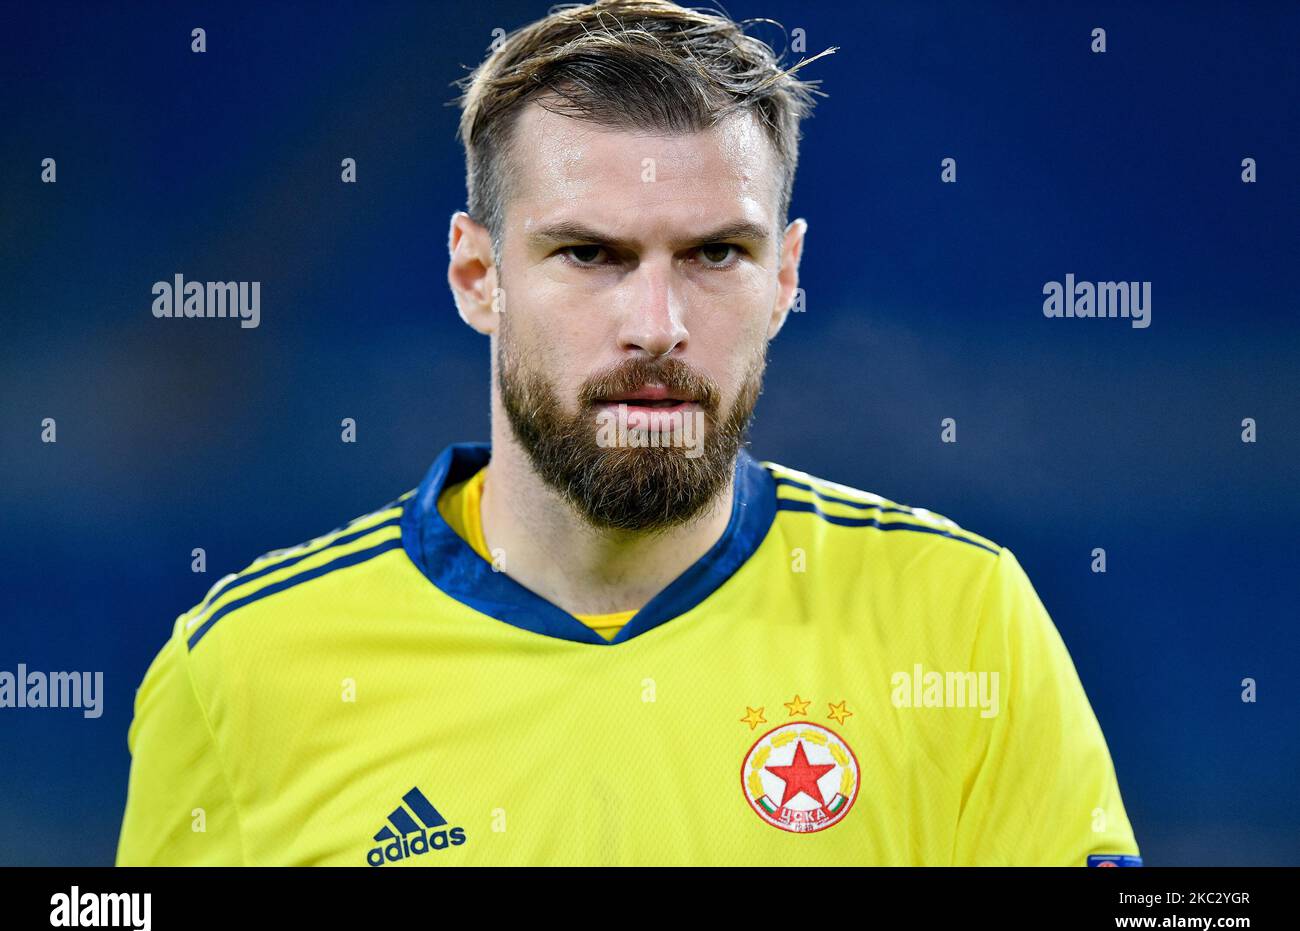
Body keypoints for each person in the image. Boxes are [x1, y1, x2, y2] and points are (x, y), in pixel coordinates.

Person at [117, 0, 1141, 866]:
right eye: (590, 254)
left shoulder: (960, 622)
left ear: (784, 277)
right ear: (480, 276)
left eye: (713, 254)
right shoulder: (240, 671)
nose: (656, 324)